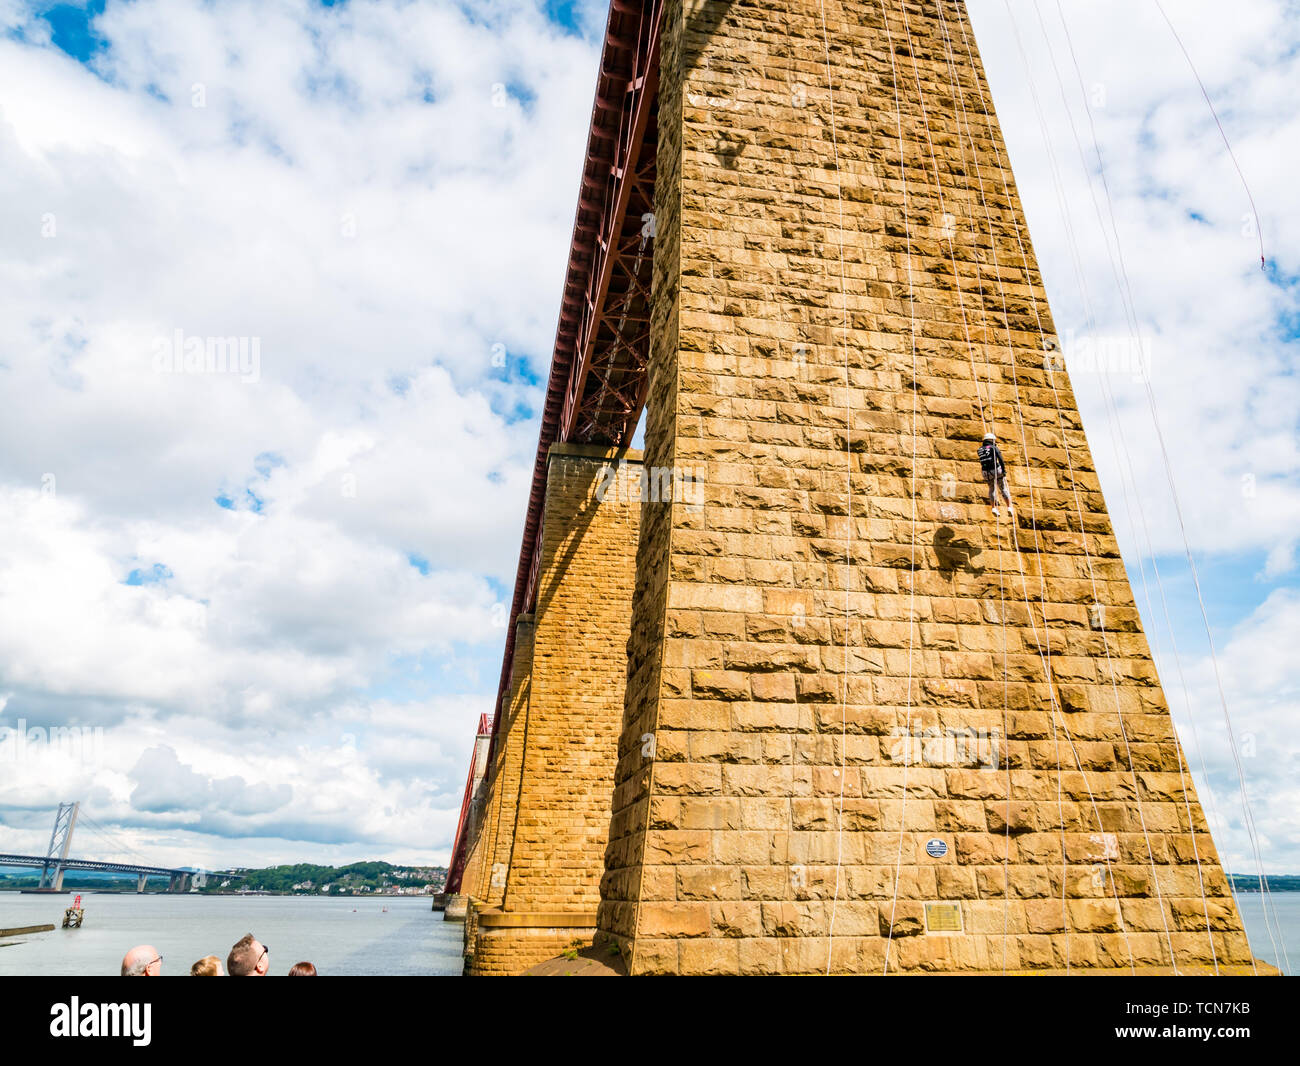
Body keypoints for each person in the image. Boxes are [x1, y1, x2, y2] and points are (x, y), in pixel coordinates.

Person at [978, 431, 1013, 516]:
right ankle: (1009, 507)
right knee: (1003, 488)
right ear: (991, 440)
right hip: (996, 470)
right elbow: (1000, 459)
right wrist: (1004, 471)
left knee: (991, 489)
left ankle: (993, 508)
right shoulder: (993, 448)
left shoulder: (979, 450)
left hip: (986, 472)